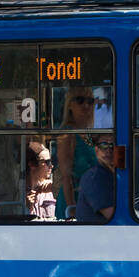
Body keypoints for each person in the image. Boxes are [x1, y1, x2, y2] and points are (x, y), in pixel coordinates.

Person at [54, 86, 98, 218]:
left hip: (90, 200)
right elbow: (66, 178)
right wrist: (72, 212)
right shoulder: (67, 135)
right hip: (73, 203)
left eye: (90, 101)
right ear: (70, 105)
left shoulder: (89, 134)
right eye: (80, 100)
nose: (86, 105)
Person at [75, 135, 118, 223]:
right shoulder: (95, 177)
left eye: (113, 146)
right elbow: (115, 216)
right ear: (96, 149)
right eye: (103, 145)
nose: (108, 150)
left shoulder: (114, 175)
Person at [24, 142, 57, 220]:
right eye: (47, 162)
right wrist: (26, 206)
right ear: (32, 164)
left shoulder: (51, 188)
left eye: (51, 161)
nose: (51, 166)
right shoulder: (18, 193)